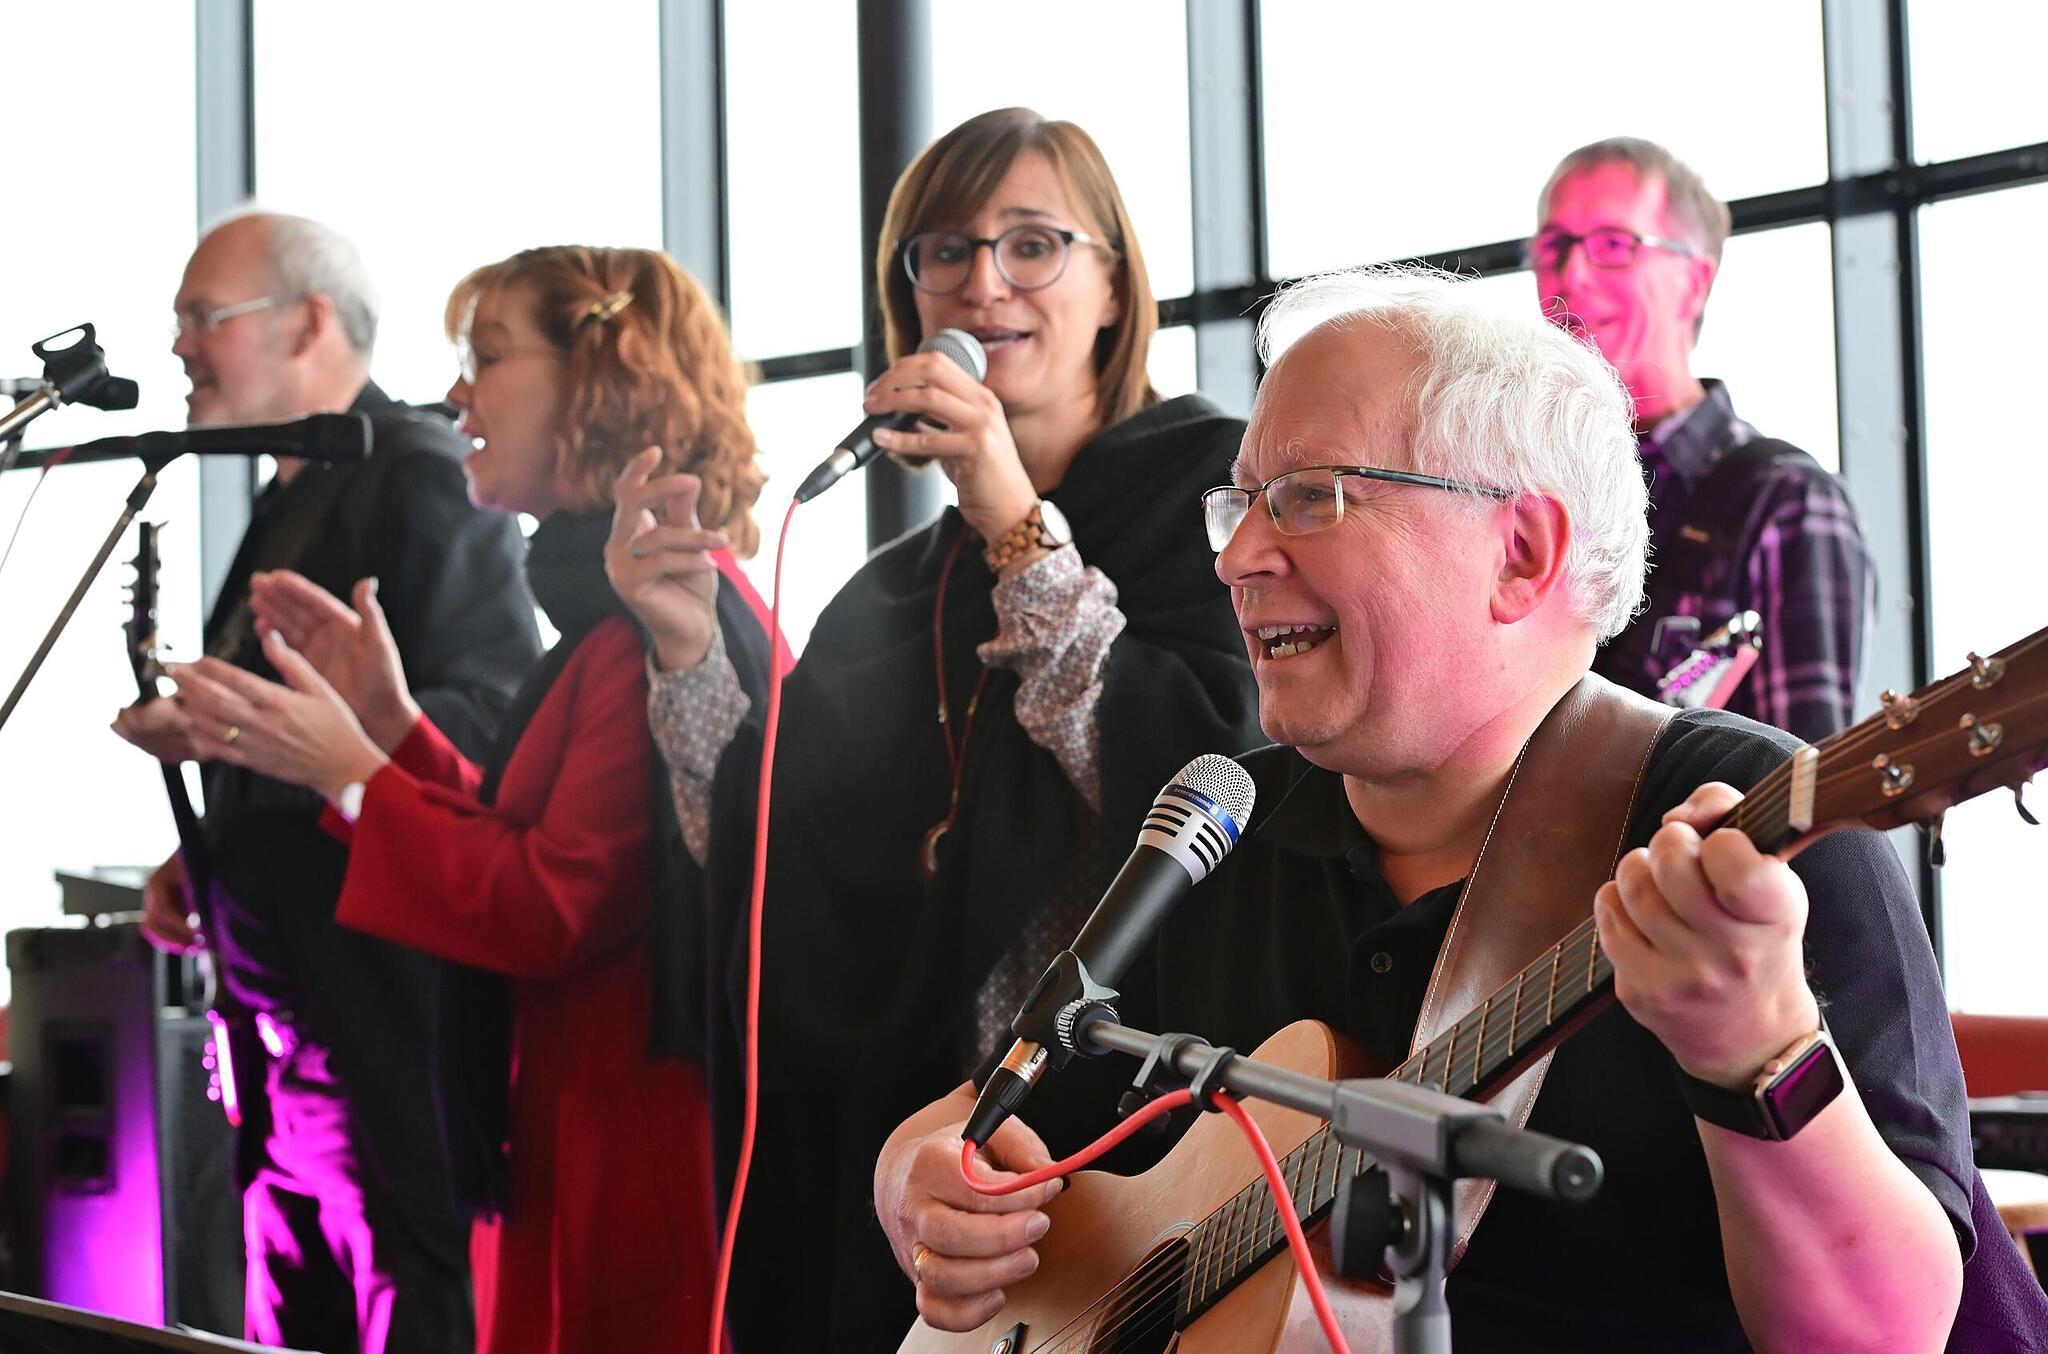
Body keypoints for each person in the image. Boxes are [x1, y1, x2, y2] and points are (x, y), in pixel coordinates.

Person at [876, 268, 1987, 1351]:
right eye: (1241, 502)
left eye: (1309, 496)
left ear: (1520, 551)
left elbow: (1882, 1331)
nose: (1239, 557)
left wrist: (1756, 1045)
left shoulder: (1747, 843)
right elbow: (977, 1119)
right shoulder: (1224, 829)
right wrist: (917, 1182)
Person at [614, 106, 1262, 1350]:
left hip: (1104, 1137)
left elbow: (1193, 767)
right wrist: (687, 644)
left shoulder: (1215, 487)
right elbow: (760, 860)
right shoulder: (897, 585)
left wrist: (1017, 516)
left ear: (1116, 286)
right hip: (898, 1148)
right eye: (943, 251)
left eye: (1032, 245)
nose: (982, 283)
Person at [166, 245, 774, 1354]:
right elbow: (534, 845)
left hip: (627, 1154)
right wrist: (392, 730)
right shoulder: (605, 624)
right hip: (576, 1129)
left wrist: (346, 768)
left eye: (486, 357)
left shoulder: (666, 618)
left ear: (599, 381)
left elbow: (552, 905)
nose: (454, 395)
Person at [111, 210, 538, 1354]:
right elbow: (291, 729)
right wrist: (207, 835)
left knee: (402, 1288)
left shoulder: (416, 470)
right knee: (290, 1290)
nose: (182, 351)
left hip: (381, 1005)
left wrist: (289, 745)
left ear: (307, 322)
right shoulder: (287, 492)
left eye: (205, 318)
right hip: (284, 1018)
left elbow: (489, 714)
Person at [1531, 137, 1873, 742]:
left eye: (1613, 245)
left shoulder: (1783, 500)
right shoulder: (1518, 489)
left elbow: (1808, 797)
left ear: (1693, 282)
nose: (1572, 274)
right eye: (1556, 246)